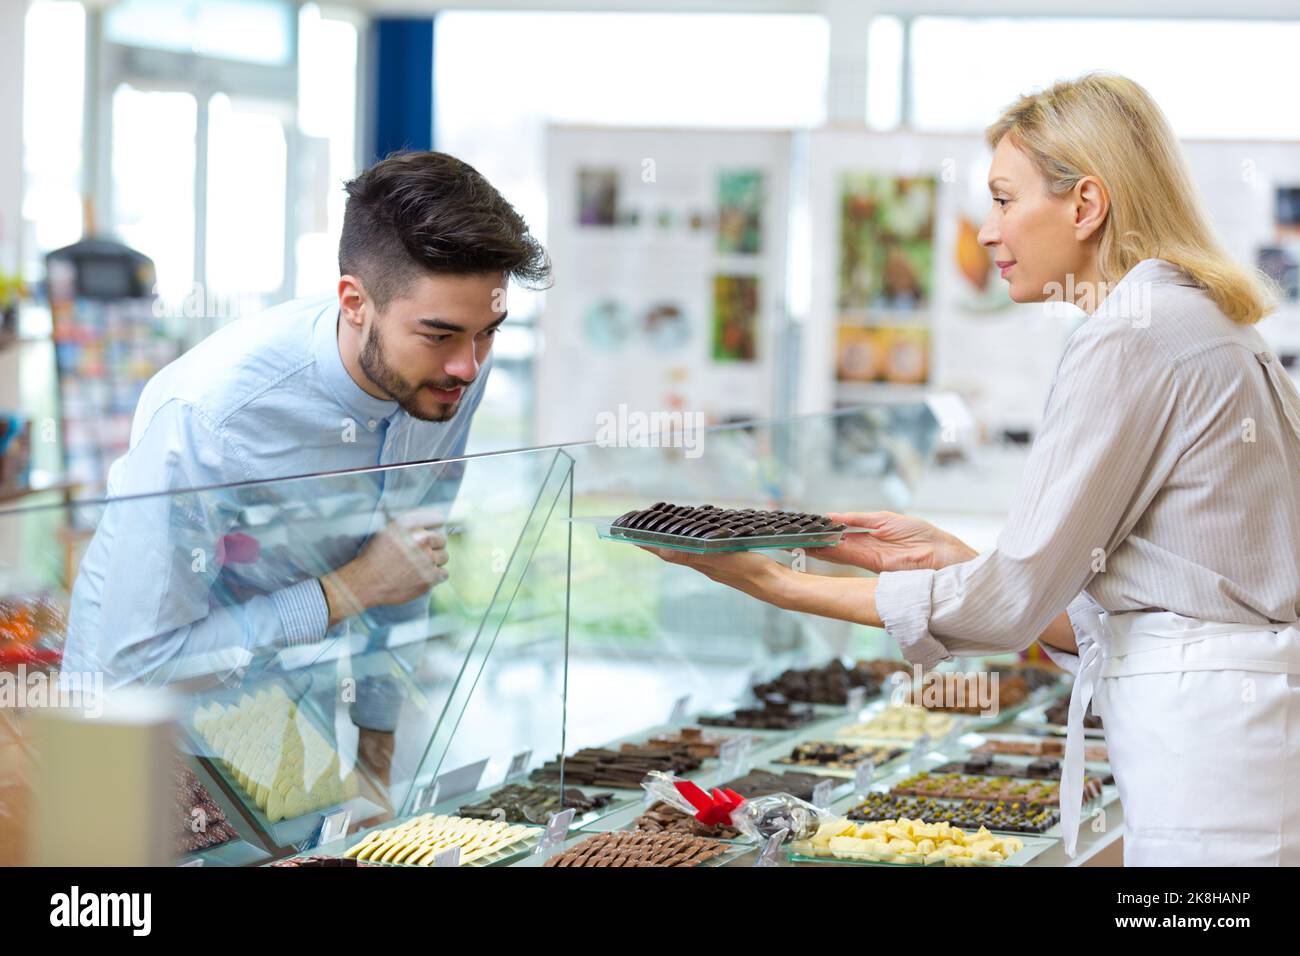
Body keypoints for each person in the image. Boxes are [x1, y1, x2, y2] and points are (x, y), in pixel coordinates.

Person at [645, 73, 1300, 865]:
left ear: (1086, 205)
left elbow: (1006, 609)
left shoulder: (1130, 334)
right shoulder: (1198, 318)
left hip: (1208, 746)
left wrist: (777, 585)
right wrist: (953, 561)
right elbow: (1162, 593)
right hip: (1231, 735)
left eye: (1002, 199)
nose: (986, 232)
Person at [65, 151, 550, 689]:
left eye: (489, 330)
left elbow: (407, 561)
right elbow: (137, 664)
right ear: (354, 302)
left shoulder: (451, 373)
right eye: (439, 335)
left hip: (291, 715)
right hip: (136, 738)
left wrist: (378, 732)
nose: (469, 365)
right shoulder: (212, 416)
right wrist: (352, 589)